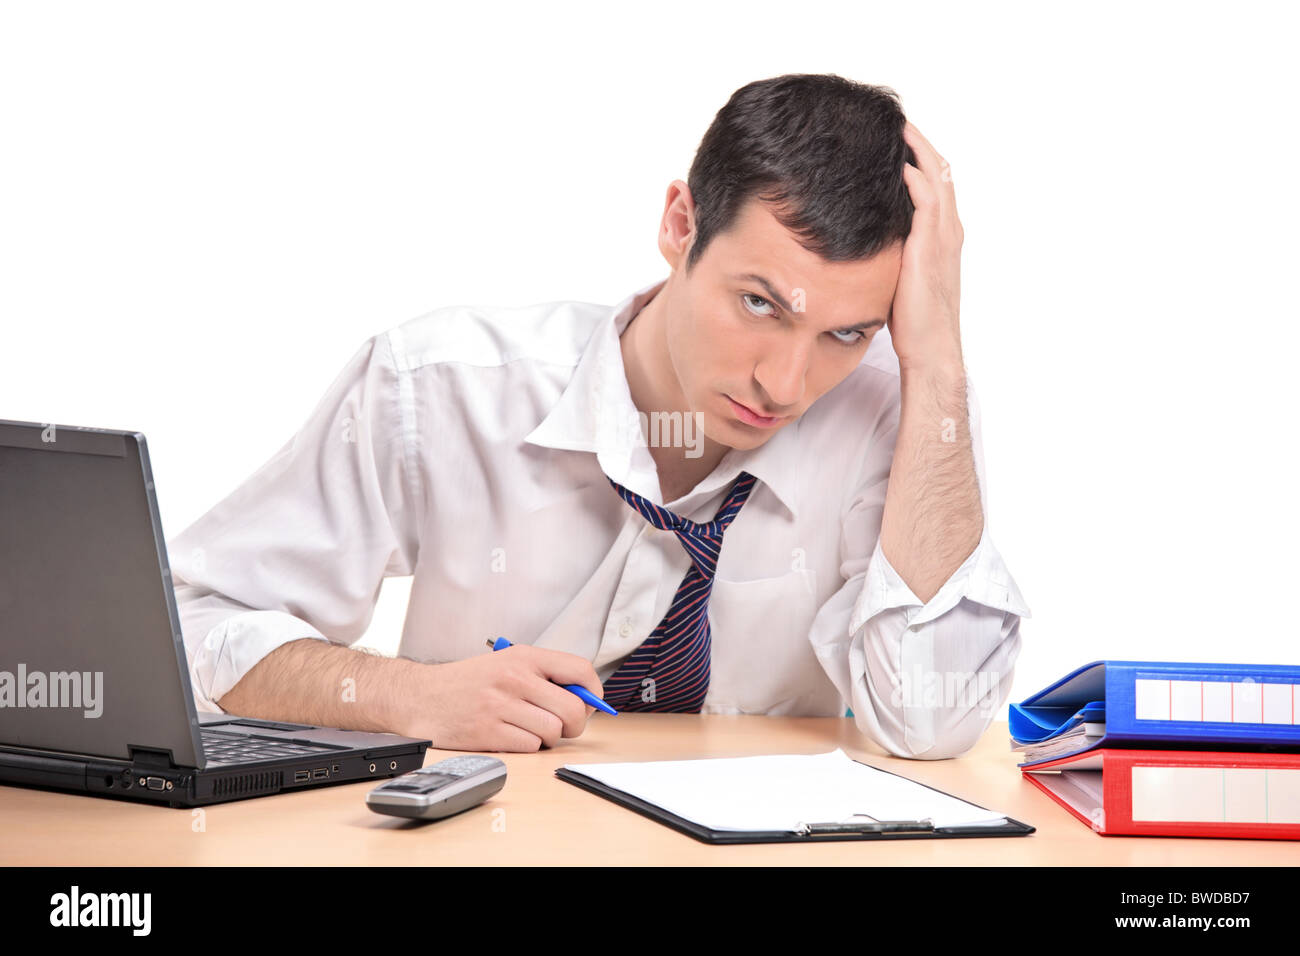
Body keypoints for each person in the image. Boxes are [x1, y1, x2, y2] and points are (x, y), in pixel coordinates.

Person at [169, 73, 1029, 759]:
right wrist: (410, 695)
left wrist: (938, 360)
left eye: (846, 331)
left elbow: (930, 722)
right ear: (679, 222)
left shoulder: (901, 414)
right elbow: (200, 619)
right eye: (760, 304)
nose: (785, 381)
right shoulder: (439, 389)